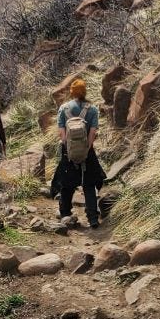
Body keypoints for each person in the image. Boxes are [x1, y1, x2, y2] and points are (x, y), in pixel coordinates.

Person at [53, 78, 103, 229]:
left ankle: (65, 214)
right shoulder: (92, 109)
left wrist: (70, 149)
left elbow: (62, 135)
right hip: (87, 151)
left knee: (67, 184)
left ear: (72, 92)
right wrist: (86, 149)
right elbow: (93, 133)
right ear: (85, 91)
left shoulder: (63, 109)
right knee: (89, 184)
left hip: (68, 152)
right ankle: (93, 218)